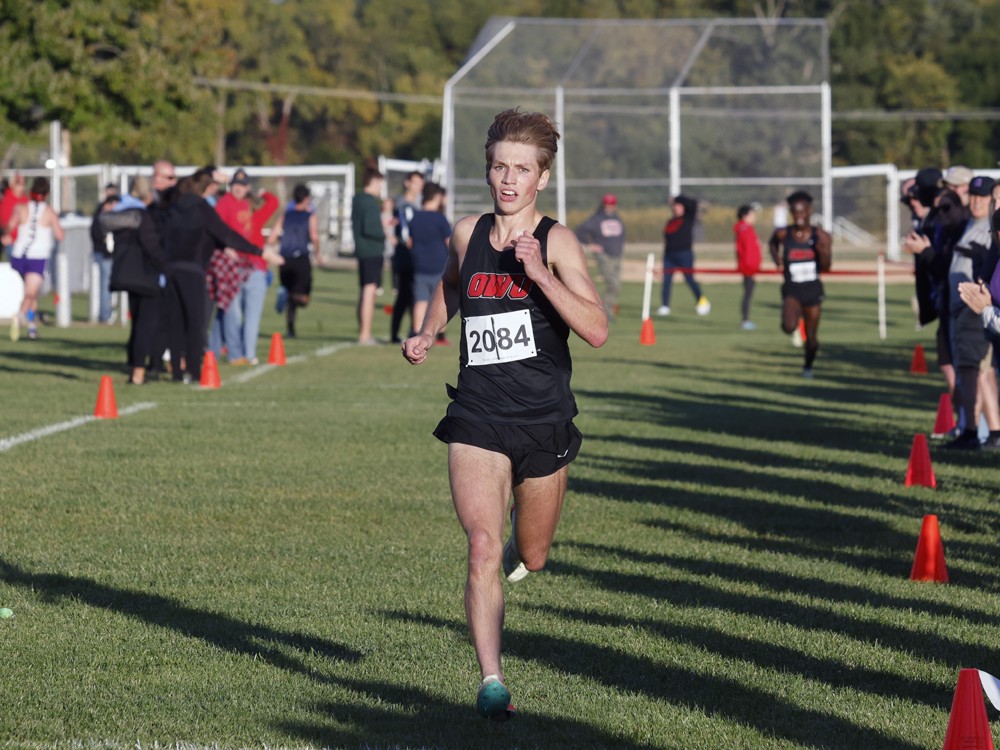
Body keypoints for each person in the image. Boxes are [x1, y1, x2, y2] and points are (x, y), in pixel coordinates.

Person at [402, 108, 608, 721]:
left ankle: (528, 546)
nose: (509, 180)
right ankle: (491, 679)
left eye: (522, 169)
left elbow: (596, 330)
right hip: (478, 413)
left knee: (533, 554)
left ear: (542, 177)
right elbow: (452, 285)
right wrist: (428, 330)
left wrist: (540, 273)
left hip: (544, 421)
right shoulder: (467, 233)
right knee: (482, 545)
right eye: (499, 167)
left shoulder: (557, 240)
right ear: (488, 171)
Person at [161, 169, 282, 384]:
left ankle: (177, 373)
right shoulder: (202, 209)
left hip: (170, 268)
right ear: (208, 188)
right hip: (193, 269)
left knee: (176, 321)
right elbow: (226, 235)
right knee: (196, 322)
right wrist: (260, 251)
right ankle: (194, 370)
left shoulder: (175, 206)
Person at [941, 175, 1000, 450]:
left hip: (976, 309)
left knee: (974, 370)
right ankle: (979, 430)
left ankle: (978, 431)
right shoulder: (974, 225)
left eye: (987, 197)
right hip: (972, 308)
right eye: (973, 196)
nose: (978, 201)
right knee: (976, 369)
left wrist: (983, 302)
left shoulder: (991, 230)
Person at [98, 176, 165, 385]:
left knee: (137, 324)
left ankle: (132, 368)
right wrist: (167, 266)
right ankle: (138, 372)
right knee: (146, 325)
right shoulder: (142, 215)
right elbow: (151, 247)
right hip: (146, 276)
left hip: (125, 274)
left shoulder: (119, 211)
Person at [212, 168, 279, 364]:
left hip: (255, 267)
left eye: (242, 186)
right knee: (232, 313)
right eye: (235, 185)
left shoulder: (255, 214)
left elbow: (273, 203)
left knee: (251, 315)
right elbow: (216, 229)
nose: (238, 189)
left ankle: (247, 353)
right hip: (232, 267)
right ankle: (233, 351)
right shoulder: (224, 204)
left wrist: (263, 193)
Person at [768, 191, 832, 378]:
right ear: (790, 212)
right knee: (788, 326)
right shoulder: (782, 233)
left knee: (811, 337)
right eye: (795, 212)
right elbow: (772, 244)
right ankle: (795, 325)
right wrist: (776, 259)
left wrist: (823, 252)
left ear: (809, 211)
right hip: (792, 289)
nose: (799, 217)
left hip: (812, 289)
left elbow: (827, 267)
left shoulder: (821, 235)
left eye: (803, 212)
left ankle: (808, 367)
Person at [3, 177, 64, 341]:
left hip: (19, 256)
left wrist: (8, 235)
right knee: (30, 294)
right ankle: (20, 316)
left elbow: (10, 225)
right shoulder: (49, 211)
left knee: (31, 294)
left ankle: (32, 328)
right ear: (47, 193)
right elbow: (60, 234)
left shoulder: (21, 208)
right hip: (37, 258)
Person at [269, 183, 320, 339]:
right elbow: (314, 237)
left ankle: (290, 330)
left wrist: (271, 249)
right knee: (303, 299)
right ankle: (289, 298)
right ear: (306, 199)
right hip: (301, 260)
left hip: (285, 261)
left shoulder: (285, 215)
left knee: (292, 296)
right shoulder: (310, 215)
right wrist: (318, 253)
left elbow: (272, 237)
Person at [408, 182, 452, 335]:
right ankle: (440, 335)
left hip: (419, 266)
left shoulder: (415, 217)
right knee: (440, 301)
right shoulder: (440, 219)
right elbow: (449, 242)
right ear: (438, 197)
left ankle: (415, 331)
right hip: (439, 266)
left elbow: (410, 242)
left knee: (420, 301)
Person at [657, 194, 710, 317]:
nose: (676, 208)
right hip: (669, 255)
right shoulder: (670, 221)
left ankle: (702, 301)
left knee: (689, 279)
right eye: (675, 206)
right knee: (667, 281)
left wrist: (677, 199)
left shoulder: (688, 218)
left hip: (685, 254)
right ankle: (665, 306)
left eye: (679, 205)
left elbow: (693, 202)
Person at [575, 193, 625, 321]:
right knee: (613, 283)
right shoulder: (597, 219)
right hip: (604, 256)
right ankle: (605, 312)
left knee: (616, 284)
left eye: (612, 204)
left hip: (617, 255)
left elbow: (622, 234)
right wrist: (591, 244)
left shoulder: (617, 218)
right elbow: (580, 231)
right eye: (607, 204)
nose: (609, 207)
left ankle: (606, 309)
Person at [351, 168, 386, 345]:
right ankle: (365, 334)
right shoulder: (369, 202)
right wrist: (385, 231)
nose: (381, 187)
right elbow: (371, 228)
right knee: (369, 291)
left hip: (363, 251)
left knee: (365, 290)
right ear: (372, 181)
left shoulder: (357, 199)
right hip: (371, 250)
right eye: (380, 183)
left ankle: (362, 332)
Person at [390, 171, 425, 343]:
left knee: (412, 293)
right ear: (407, 183)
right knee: (406, 293)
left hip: (416, 254)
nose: (419, 186)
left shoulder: (418, 204)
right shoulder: (402, 205)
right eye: (416, 182)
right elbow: (404, 233)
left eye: (421, 183)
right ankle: (400, 332)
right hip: (406, 255)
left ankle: (411, 330)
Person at [90, 182, 121, 324]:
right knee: (106, 284)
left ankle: (107, 312)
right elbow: (96, 233)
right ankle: (105, 314)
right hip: (104, 253)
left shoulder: (108, 213)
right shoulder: (102, 214)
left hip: (109, 253)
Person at [733, 204, 762, 330]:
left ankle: (745, 320)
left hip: (750, 267)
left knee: (749, 292)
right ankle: (745, 320)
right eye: (752, 214)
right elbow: (747, 251)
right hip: (748, 268)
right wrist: (750, 267)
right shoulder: (745, 230)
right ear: (745, 216)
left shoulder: (747, 229)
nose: (754, 217)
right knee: (748, 293)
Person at [0, 173, 29, 260]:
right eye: (18, 183)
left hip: (25, 241)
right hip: (12, 242)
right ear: (12, 184)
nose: (21, 186)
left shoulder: (25, 200)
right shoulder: (6, 200)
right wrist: (6, 235)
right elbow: (5, 222)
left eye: (23, 183)